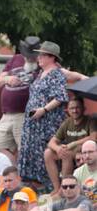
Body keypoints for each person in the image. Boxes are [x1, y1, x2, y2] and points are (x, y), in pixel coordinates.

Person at [18, 42, 76, 186]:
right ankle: (34, 185)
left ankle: (49, 186)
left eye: (43, 55)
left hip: (47, 122)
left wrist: (43, 109)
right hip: (33, 123)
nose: (39, 57)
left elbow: (60, 97)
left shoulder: (56, 73)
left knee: (45, 152)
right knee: (32, 152)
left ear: (52, 57)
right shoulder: (40, 74)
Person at [43, 96, 96, 193]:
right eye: (72, 108)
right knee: (48, 153)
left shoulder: (90, 120)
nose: (75, 110)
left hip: (84, 152)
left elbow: (93, 137)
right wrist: (58, 148)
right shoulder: (67, 122)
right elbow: (51, 142)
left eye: (77, 107)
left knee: (66, 154)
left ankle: (63, 189)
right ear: (67, 110)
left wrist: (73, 143)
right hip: (69, 151)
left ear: (84, 109)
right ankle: (56, 187)